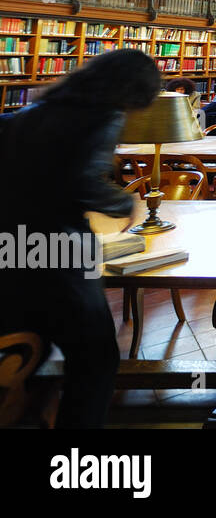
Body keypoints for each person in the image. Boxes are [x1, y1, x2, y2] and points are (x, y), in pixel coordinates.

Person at [0, 48, 161, 428]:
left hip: (11, 246)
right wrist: (125, 203)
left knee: (30, 344)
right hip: (60, 254)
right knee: (96, 357)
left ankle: (21, 415)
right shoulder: (101, 116)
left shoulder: (31, 113)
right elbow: (80, 180)